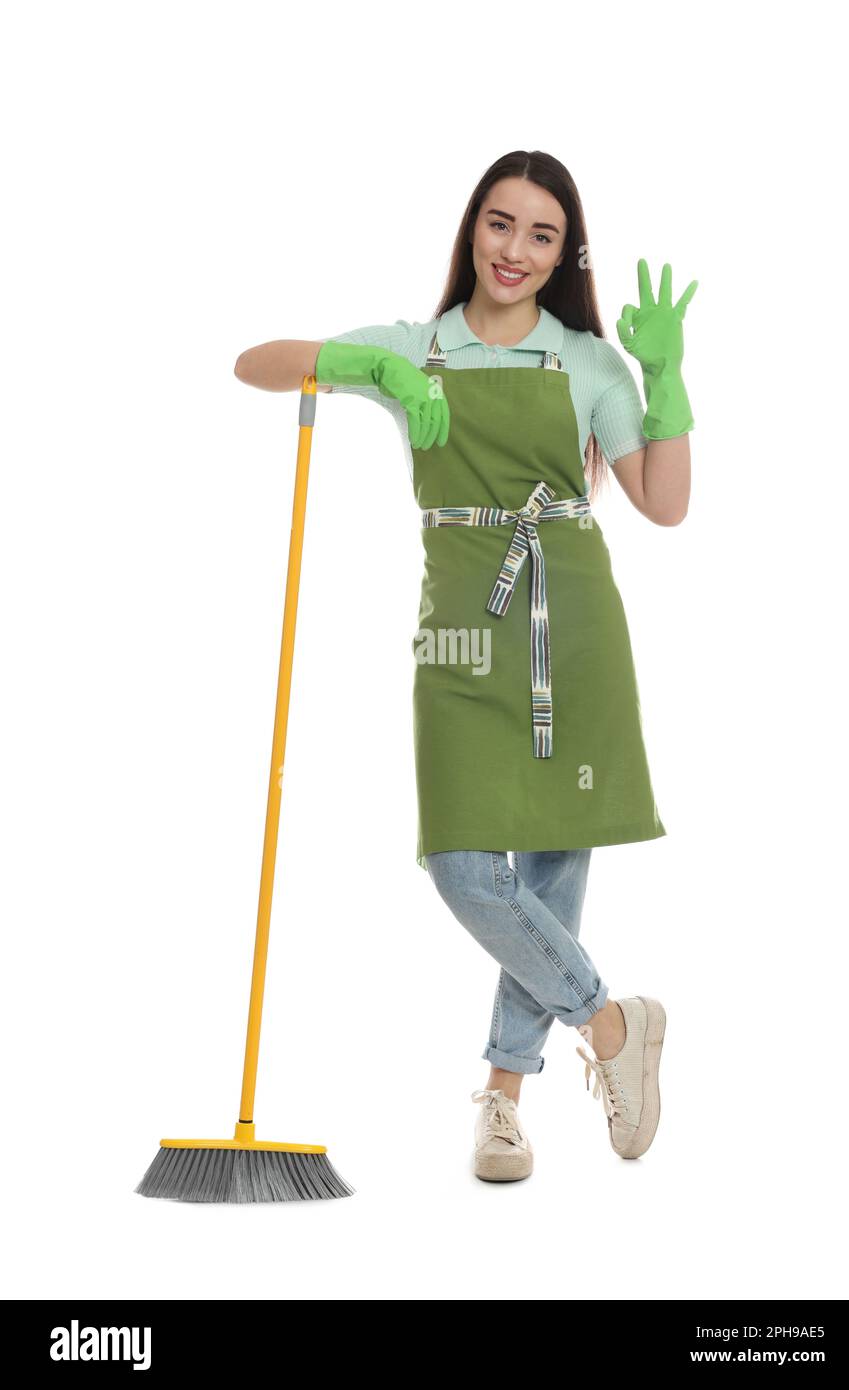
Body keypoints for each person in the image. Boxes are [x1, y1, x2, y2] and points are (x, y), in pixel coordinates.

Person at [234, 149, 696, 1182]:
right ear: (470, 227)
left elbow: (662, 502)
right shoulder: (417, 347)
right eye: (499, 224)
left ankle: (502, 1099)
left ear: (562, 251)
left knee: (546, 870)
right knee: (462, 867)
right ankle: (613, 1024)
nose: (515, 251)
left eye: (540, 234)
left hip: (570, 629)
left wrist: (664, 383)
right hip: (457, 637)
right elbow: (257, 362)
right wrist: (375, 370)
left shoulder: (585, 362)